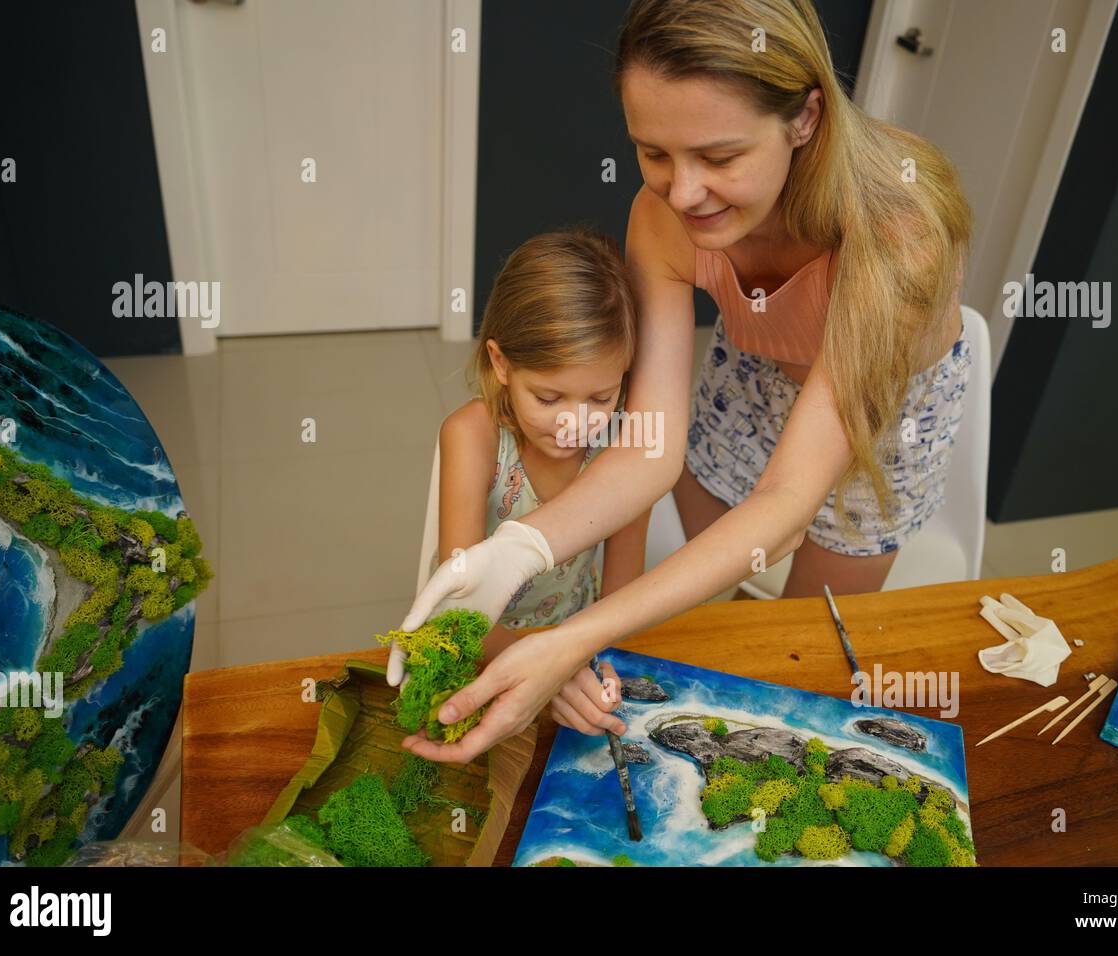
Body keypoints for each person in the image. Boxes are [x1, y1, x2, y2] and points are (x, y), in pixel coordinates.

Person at [395, 0, 974, 762]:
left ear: (805, 118)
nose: (683, 191)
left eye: (720, 156)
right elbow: (650, 447)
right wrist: (520, 547)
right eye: (653, 152)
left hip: (884, 410)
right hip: (754, 373)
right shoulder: (664, 217)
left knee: (800, 641)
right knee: (730, 588)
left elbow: (785, 504)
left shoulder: (899, 238)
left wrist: (574, 637)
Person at [387, 230, 650, 720]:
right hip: (479, 654)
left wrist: (582, 660)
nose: (578, 422)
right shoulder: (474, 436)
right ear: (501, 362)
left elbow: (622, 596)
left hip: (577, 646)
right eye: (549, 399)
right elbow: (463, 616)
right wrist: (550, 671)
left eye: (601, 397)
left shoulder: (627, 448)